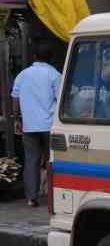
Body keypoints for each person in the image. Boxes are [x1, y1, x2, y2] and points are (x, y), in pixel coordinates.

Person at [12, 42, 62, 207]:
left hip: (29, 125)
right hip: (49, 126)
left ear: (34, 56)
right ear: (51, 58)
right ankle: (52, 197)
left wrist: (17, 119)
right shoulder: (54, 75)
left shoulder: (22, 75)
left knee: (31, 160)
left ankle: (31, 198)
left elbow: (15, 98)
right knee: (51, 160)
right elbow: (60, 99)